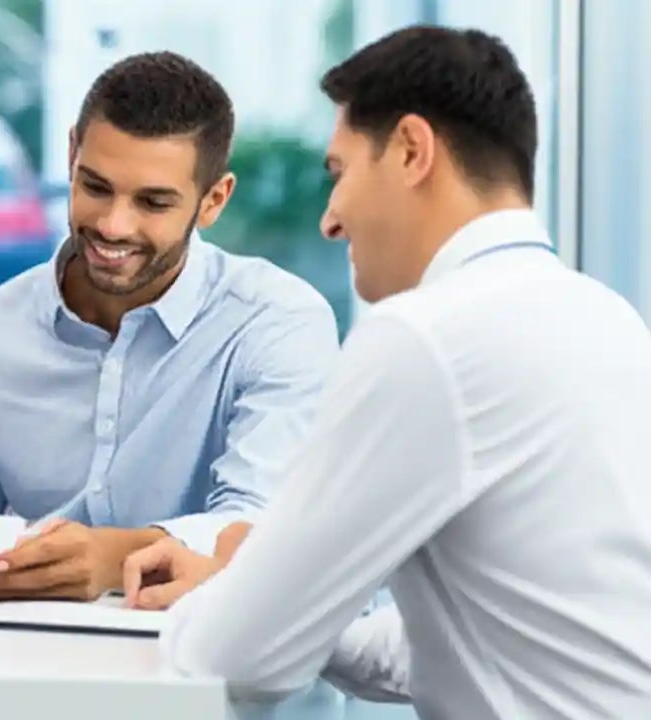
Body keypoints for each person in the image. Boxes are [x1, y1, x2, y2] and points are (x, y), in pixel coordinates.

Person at [123, 26, 651, 719]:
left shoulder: (427, 338)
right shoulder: (604, 318)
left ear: (410, 150)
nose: (330, 221)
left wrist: (240, 596)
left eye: (340, 173)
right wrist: (271, 599)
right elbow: (493, 641)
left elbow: (234, 661)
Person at [0, 51, 340, 603]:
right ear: (71, 155)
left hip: (214, 673)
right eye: (95, 187)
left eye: (153, 203)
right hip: (37, 667)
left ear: (213, 201)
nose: (114, 226)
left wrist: (111, 558)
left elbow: (257, 524)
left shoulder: (277, 323)